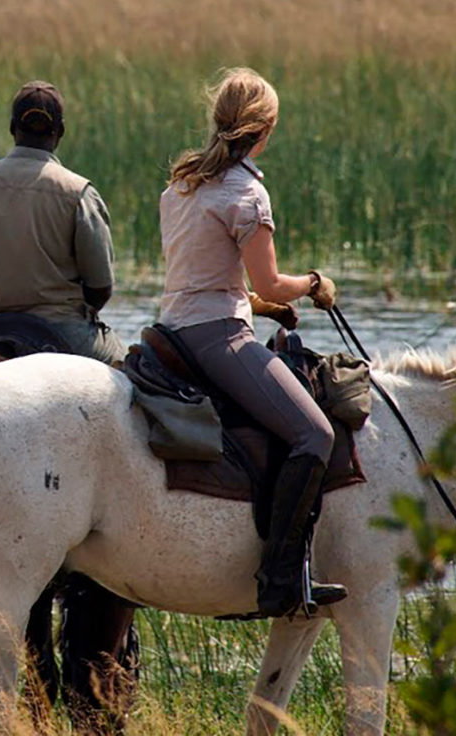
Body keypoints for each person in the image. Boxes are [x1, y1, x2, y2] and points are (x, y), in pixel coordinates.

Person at [157, 66, 346, 618]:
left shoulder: (181, 184)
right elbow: (269, 281)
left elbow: (203, 273)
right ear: (264, 131)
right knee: (314, 434)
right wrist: (312, 284)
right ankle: (281, 579)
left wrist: (257, 306)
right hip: (217, 337)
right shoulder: (247, 194)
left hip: (172, 328)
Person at [0, 80, 128, 365]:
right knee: (132, 377)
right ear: (61, 131)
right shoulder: (77, 191)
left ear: (11, 128)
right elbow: (101, 286)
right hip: (62, 332)